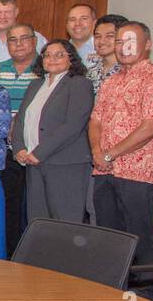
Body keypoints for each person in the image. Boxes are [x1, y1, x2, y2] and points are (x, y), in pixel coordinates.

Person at [89, 21, 153, 300]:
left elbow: (150, 127)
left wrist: (109, 154)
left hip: (138, 173)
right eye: (119, 42)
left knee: (138, 238)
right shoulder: (111, 81)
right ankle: (112, 293)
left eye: (131, 42)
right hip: (104, 171)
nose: (123, 47)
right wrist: (96, 152)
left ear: (147, 45)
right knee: (109, 237)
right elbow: (95, 120)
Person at [10, 40, 93, 222]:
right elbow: (20, 120)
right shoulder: (35, 85)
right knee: (38, 219)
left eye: (59, 54)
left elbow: (73, 125)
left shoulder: (79, 84)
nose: (52, 59)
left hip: (65, 163)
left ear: (71, 59)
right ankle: (41, 252)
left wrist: (39, 153)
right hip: (33, 162)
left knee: (65, 219)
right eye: (47, 55)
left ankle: (64, 253)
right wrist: (19, 149)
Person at [0, 23, 42, 247]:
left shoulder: (45, 70)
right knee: (10, 203)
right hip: (5, 149)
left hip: (37, 149)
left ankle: (32, 250)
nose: (19, 44)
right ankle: (12, 251)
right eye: (13, 39)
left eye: (24, 38)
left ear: (34, 41)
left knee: (33, 205)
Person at [86, 14, 129, 94]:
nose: (102, 41)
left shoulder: (129, 72)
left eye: (109, 36)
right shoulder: (90, 69)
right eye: (98, 36)